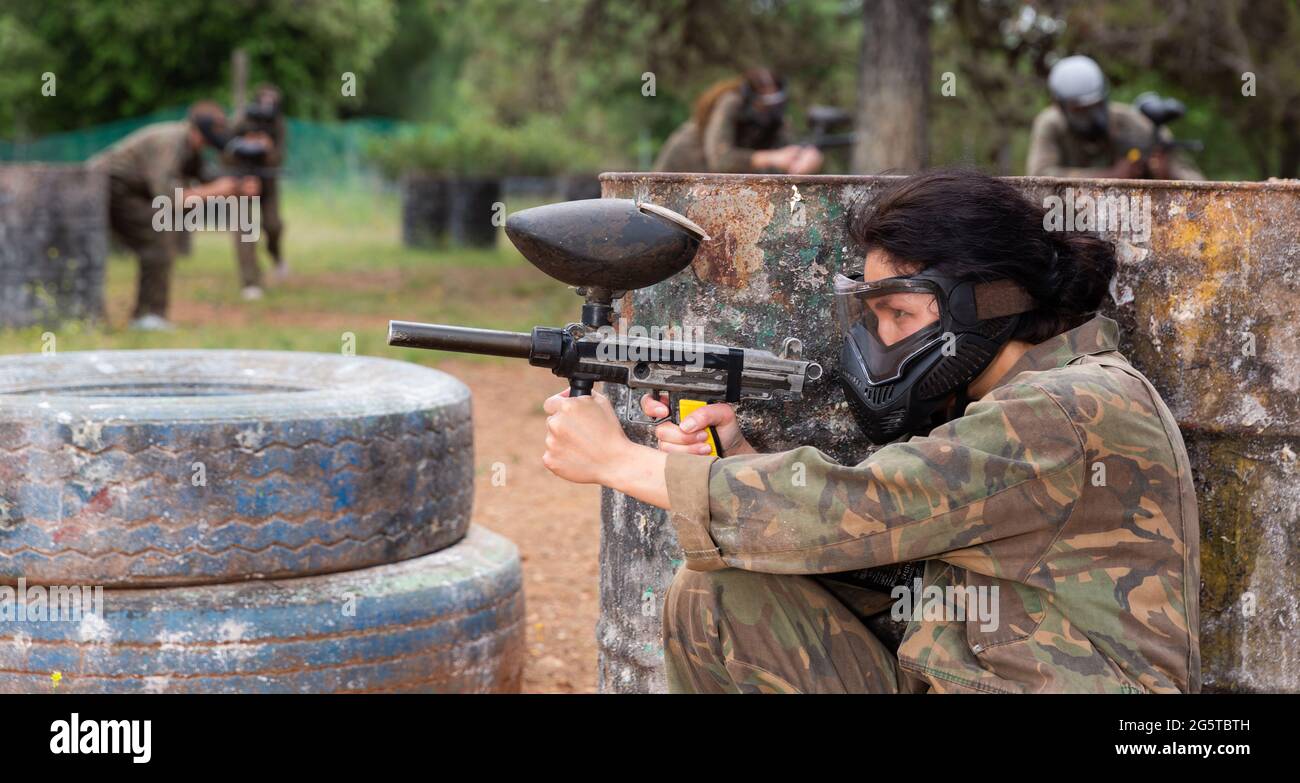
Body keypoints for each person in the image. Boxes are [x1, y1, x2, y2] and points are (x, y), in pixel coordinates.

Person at [539, 169, 1201, 694]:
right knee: (718, 595)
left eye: (899, 314)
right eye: (874, 315)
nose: (881, 340)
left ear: (987, 301)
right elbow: (885, 542)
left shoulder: (1069, 405)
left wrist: (620, 463)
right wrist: (735, 458)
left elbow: (865, 503)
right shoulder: (1018, 401)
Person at [89, 101, 260, 330]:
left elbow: (209, 179)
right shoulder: (170, 143)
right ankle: (148, 316)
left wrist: (238, 186)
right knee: (157, 234)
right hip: (106, 187)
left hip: (128, 192)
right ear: (203, 128)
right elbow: (169, 199)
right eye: (218, 128)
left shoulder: (191, 147)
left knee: (160, 233)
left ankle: (147, 315)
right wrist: (220, 189)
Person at [1026, 55, 1203, 180]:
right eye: (1080, 110)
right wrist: (1112, 175)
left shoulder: (1137, 124)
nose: (1093, 116)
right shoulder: (1051, 124)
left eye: (1097, 105)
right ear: (1060, 106)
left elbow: (1198, 184)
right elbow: (1039, 178)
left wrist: (1167, 176)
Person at [654, 68, 823, 174]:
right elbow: (721, 161)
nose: (767, 108)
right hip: (683, 174)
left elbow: (787, 152)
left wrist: (804, 159)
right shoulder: (732, 102)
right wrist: (771, 158)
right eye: (762, 102)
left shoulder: (776, 118)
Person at [228, 83, 288, 300]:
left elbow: (279, 158)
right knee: (245, 231)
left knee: (273, 224)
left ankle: (276, 256)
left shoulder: (278, 125)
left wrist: (268, 147)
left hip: (267, 179)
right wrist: (242, 143)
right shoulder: (241, 119)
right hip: (242, 177)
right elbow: (225, 148)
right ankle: (250, 281)